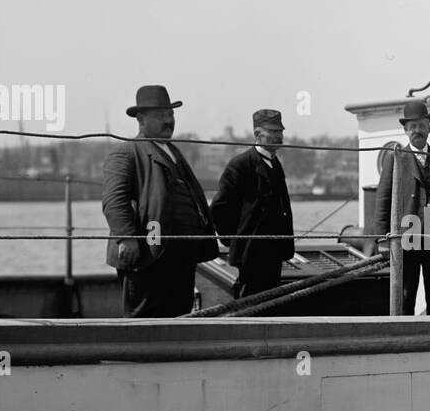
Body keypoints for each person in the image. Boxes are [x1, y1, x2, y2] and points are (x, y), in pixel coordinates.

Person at [102, 85, 220, 317]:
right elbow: (114, 201)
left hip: (180, 254)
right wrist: (127, 238)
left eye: (170, 114)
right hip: (147, 255)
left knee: (179, 313)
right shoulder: (126, 152)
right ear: (141, 119)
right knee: (144, 318)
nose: (168, 121)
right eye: (160, 116)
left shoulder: (173, 152)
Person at [372, 98, 430, 314]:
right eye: (412, 127)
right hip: (406, 238)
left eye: (421, 125)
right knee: (406, 294)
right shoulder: (396, 158)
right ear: (405, 130)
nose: (417, 131)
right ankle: (404, 336)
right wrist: (383, 240)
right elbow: (383, 200)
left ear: (429, 127)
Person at [210, 109, 295, 298]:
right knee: (251, 302)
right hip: (251, 253)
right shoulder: (240, 165)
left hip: (274, 250)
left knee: (270, 301)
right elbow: (219, 208)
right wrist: (235, 241)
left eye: (280, 131)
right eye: (273, 132)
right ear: (257, 134)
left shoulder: (275, 164)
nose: (279, 136)